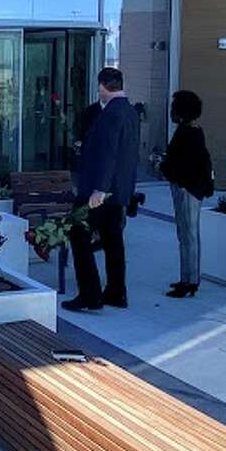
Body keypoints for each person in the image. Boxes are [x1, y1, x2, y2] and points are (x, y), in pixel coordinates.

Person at [64, 67, 140, 313]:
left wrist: (99, 189)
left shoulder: (111, 114)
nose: (99, 92)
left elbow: (109, 154)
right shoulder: (129, 111)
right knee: (113, 239)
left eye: (100, 88)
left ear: (103, 86)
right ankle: (117, 292)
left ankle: (90, 295)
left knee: (78, 233)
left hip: (100, 191)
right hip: (119, 191)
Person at [158, 89, 213, 298]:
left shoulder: (187, 133)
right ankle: (188, 278)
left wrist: (164, 167)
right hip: (190, 187)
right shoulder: (193, 131)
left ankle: (189, 281)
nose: (171, 112)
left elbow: (183, 164)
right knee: (188, 234)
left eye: (174, 108)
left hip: (187, 188)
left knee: (187, 234)